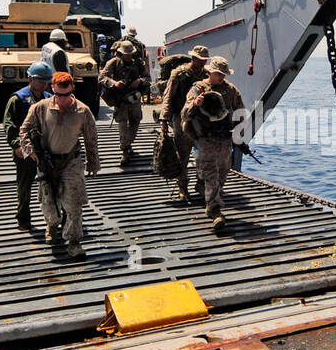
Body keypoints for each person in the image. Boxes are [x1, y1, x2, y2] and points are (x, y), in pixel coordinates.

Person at [19, 71, 99, 258]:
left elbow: (91, 139)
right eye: (59, 95)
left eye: (67, 95)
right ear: (52, 89)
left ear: (72, 90)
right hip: (47, 161)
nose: (63, 99)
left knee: (74, 203)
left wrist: (93, 163)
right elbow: (24, 130)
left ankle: (73, 241)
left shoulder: (82, 111)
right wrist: (31, 151)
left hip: (71, 161)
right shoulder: (40, 108)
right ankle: (52, 224)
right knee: (48, 201)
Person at [181, 56, 245, 234]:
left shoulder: (231, 90)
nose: (221, 77)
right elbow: (184, 115)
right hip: (205, 138)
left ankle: (204, 188)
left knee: (223, 171)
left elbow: (241, 112)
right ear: (211, 72)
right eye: (218, 74)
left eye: (223, 74)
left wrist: (238, 134)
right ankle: (215, 209)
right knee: (212, 174)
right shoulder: (197, 89)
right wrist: (195, 104)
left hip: (224, 138)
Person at [4, 61, 52, 232]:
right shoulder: (18, 98)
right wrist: (17, 145)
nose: (44, 84)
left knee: (53, 184)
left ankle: (54, 218)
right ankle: (23, 219)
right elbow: (9, 125)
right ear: (30, 78)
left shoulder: (49, 98)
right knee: (24, 185)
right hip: (26, 148)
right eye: (40, 80)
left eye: (47, 81)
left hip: (46, 149)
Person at [160, 45, 209, 201]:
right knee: (183, 154)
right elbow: (168, 97)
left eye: (204, 60)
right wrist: (164, 119)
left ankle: (201, 184)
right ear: (193, 58)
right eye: (200, 60)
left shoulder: (207, 74)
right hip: (182, 118)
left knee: (204, 153)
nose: (202, 63)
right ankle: (183, 186)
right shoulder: (179, 74)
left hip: (201, 119)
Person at [100, 39, 150, 164]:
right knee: (122, 124)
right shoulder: (113, 63)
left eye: (130, 54)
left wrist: (140, 81)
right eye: (126, 54)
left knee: (136, 121)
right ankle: (125, 150)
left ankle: (128, 143)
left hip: (135, 98)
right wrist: (114, 83)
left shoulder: (138, 63)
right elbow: (102, 77)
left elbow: (147, 78)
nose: (128, 56)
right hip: (120, 99)